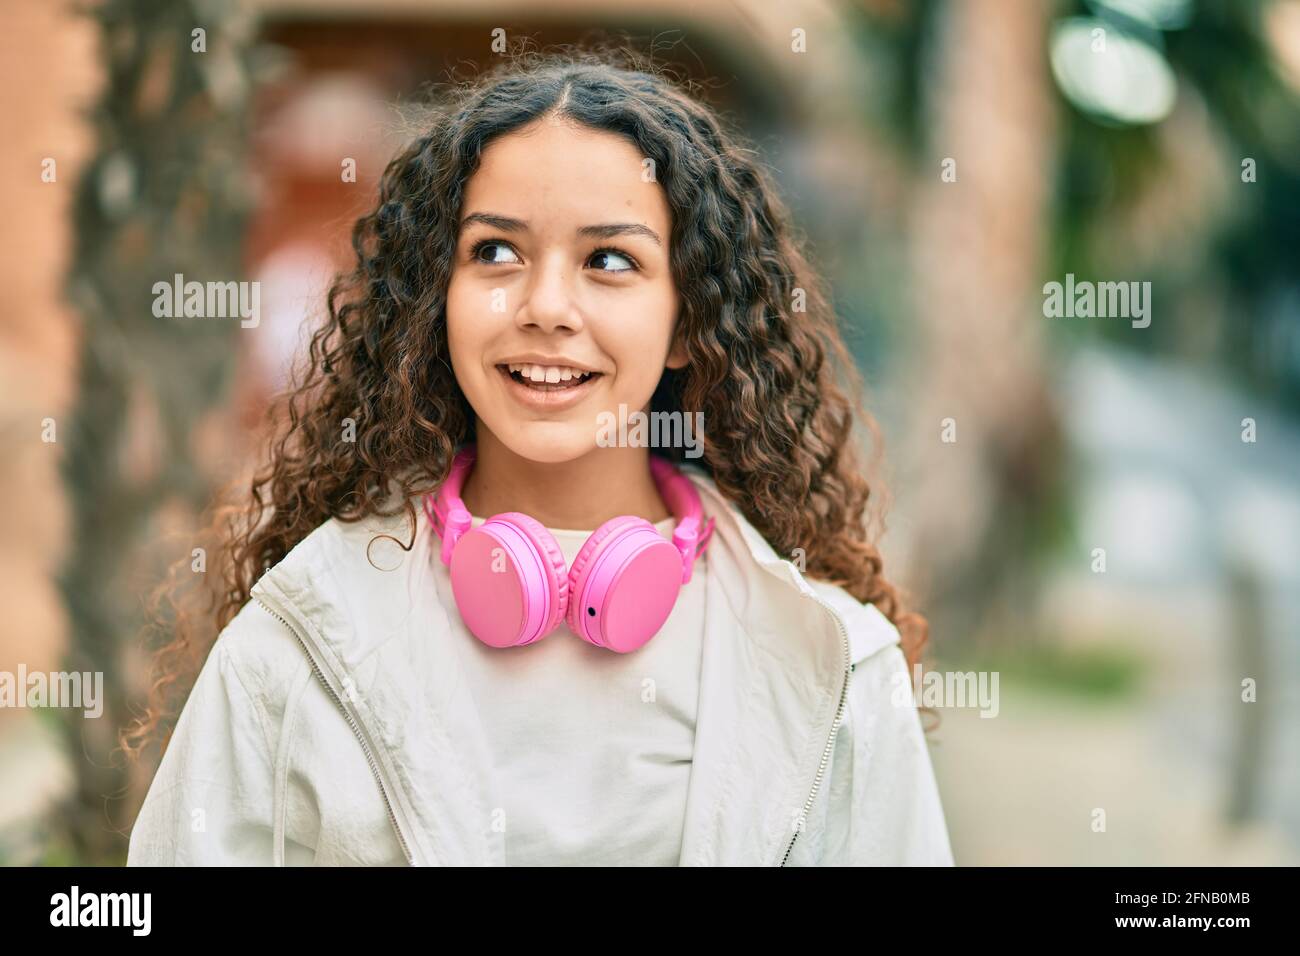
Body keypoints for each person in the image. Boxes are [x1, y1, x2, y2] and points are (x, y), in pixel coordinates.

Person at [123, 50, 954, 867]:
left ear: (687, 319)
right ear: (432, 298)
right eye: (495, 252)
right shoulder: (302, 628)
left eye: (610, 261)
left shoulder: (836, 660)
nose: (547, 307)